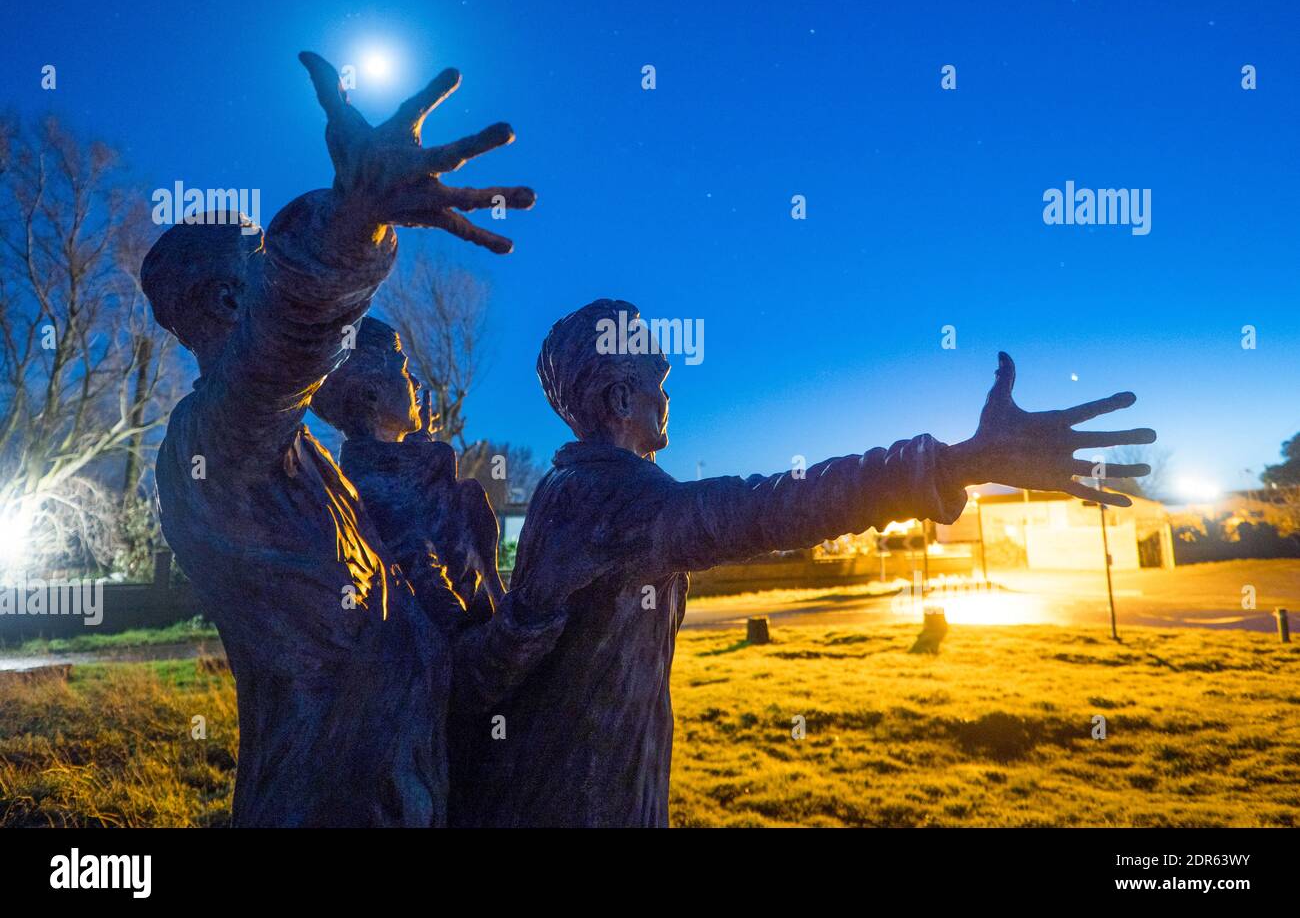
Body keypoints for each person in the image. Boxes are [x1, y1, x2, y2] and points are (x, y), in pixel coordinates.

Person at [459, 298, 1156, 827]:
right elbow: (772, 507)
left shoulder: (589, 492)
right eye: (655, 379)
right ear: (619, 399)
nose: (668, 394)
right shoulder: (606, 498)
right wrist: (951, 463)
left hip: (598, 782)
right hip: (572, 795)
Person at [143, 53, 588, 827]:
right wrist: (351, 224)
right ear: (226, 297)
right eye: (264, 267)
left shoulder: (298, 460)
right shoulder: (212, 447)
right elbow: (281, 347)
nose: (281, 275)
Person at [310, 315, 504, 615]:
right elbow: (445, 615)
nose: (414, 382)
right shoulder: (376, 496)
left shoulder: (392, 477)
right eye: (403, 368)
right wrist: (518, 632)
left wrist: (421, 446)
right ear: (372, 395)